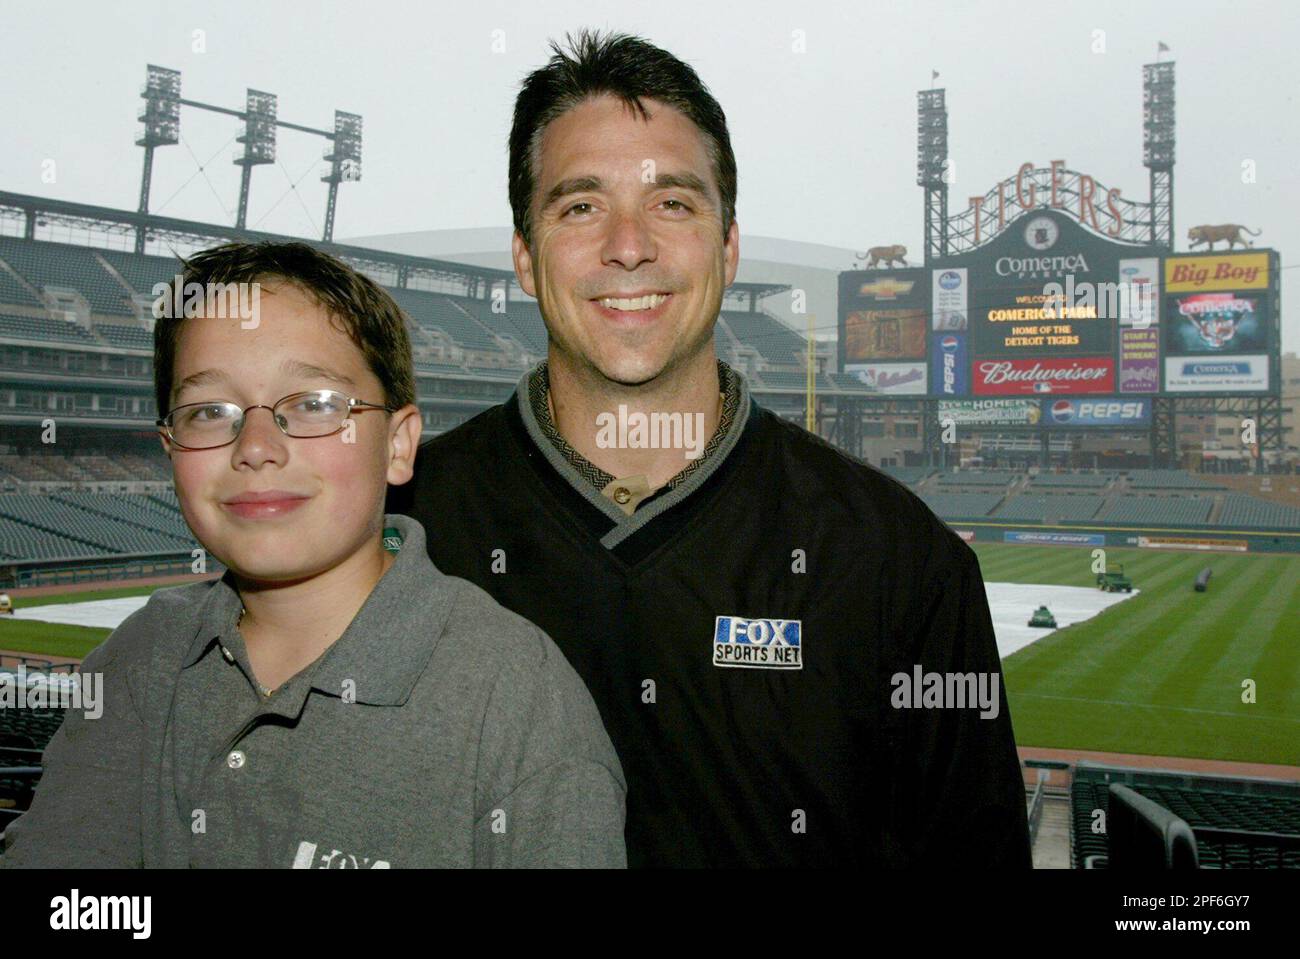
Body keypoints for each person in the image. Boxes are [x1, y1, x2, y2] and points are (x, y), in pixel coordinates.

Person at [390, 30, 1032, 867]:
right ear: (522, 255)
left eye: (673, 203)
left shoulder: (899, 560)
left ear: (728, 247)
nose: (629, 245)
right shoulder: (398, 528)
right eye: (580, 205)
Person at [1, 241, 626, 868]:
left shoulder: (520, 703)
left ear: (398, 445)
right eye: (209, 412)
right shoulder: (139, 659)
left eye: (313, 405)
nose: (256, 446)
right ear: (169, 446)